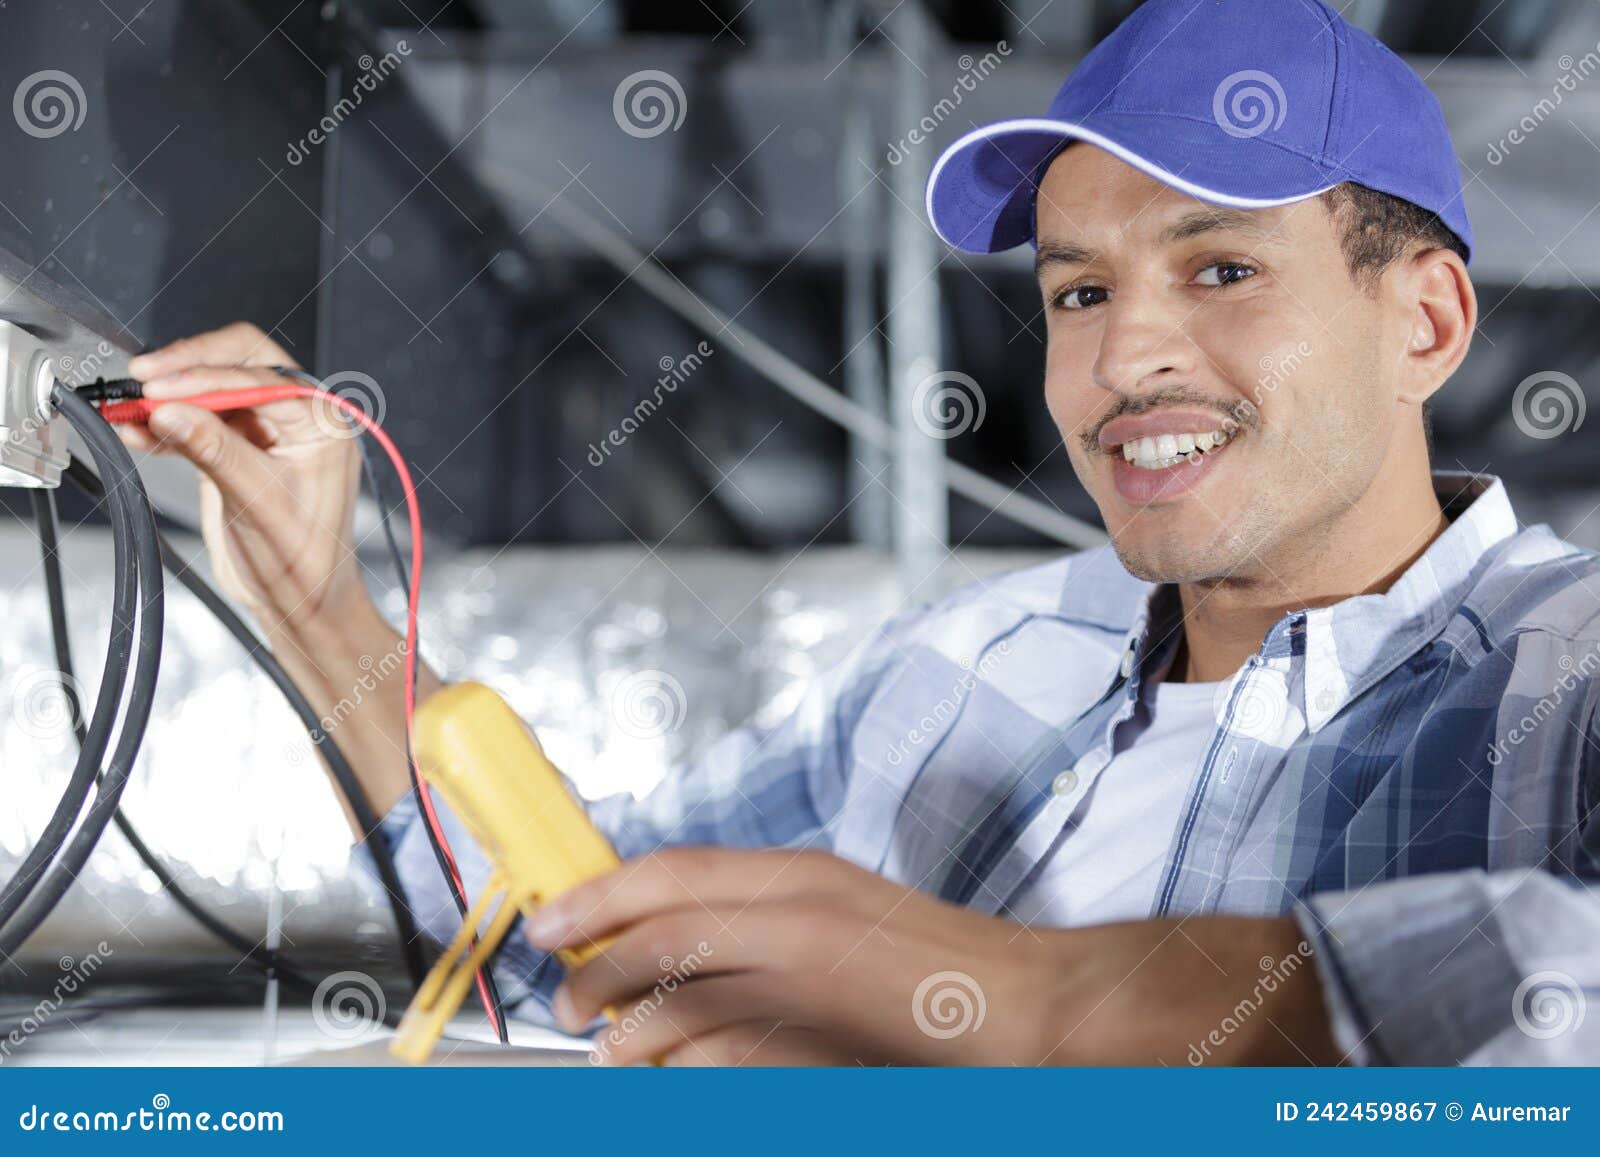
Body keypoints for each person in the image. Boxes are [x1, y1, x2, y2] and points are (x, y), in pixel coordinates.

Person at [120, 0, 1598, 1066]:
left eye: (1218, 267)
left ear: (1427, 319)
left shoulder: (1566, 678)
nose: (1120, 357)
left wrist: (1011, 999)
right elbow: (568, 933)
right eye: (1079, 291)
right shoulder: (966, 669)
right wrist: (324, 611)